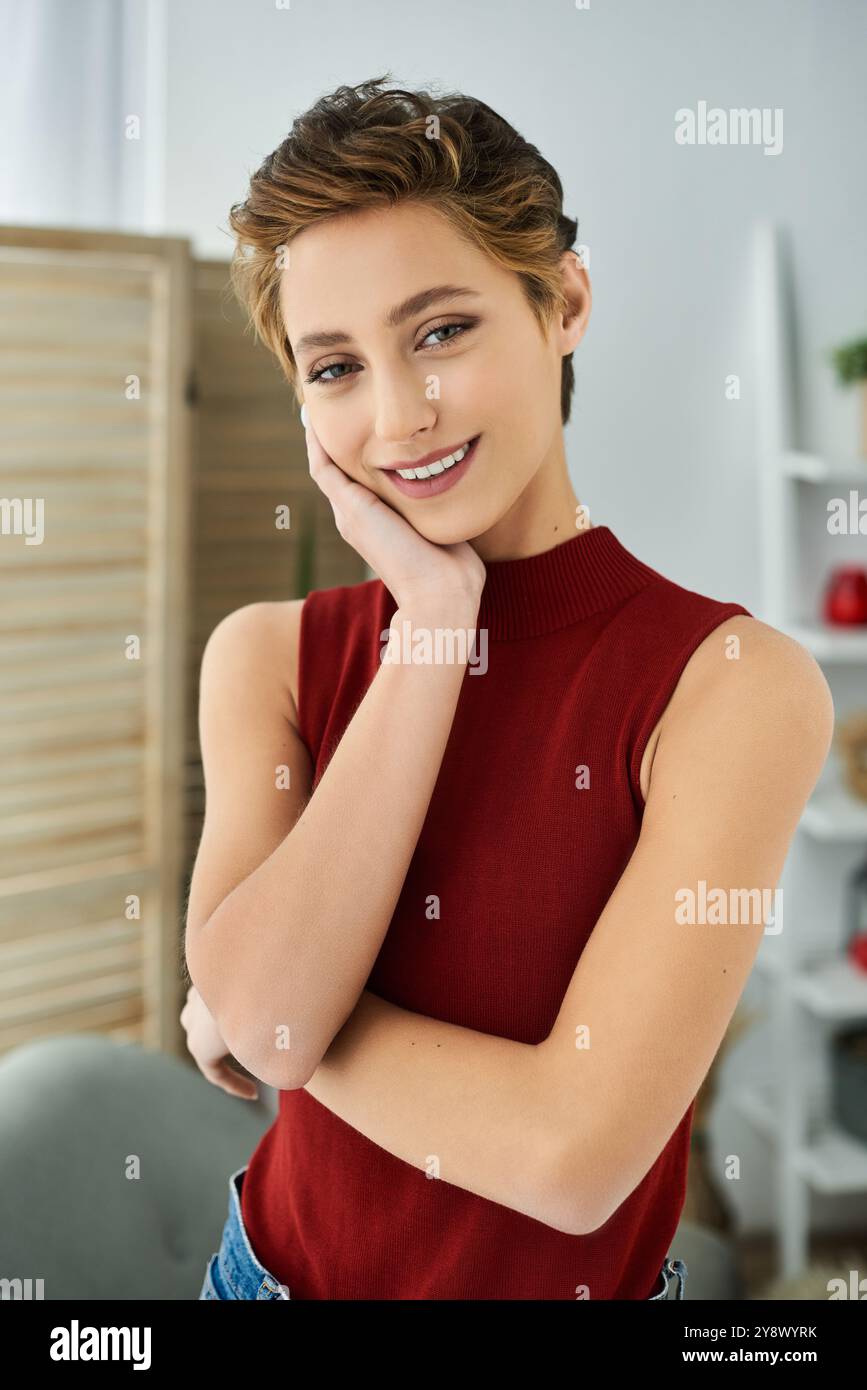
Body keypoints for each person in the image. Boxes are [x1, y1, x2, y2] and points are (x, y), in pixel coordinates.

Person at [182, 75, 833, 1300]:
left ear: (564, 301)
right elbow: (263, 1023)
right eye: (334, 367)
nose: (399, 415)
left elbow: (571, 1157)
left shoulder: (734, 686)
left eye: (441, 330)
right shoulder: (266, 657)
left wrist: (275, 1012)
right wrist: (432, 624)